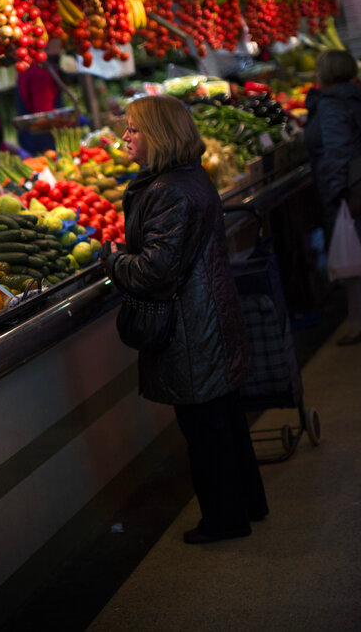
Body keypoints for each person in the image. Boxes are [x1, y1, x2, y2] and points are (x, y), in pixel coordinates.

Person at [101, 95, 267, 544]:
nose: (125, 137)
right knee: (225, 419)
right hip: (208, 314)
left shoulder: (169, 190)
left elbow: (155, 270)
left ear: (158, 135)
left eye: (133, 129)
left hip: (192, 329)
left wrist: (113, 259)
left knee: (206, 430)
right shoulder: (188, 178)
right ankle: (249, 502)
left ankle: (225, 520)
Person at [304, 50, 361, 345]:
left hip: (352, 187)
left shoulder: (332, 104)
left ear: (324, 73)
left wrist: (338, 192)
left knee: (355, 256)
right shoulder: (359, 96)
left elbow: (337, 151)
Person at [16, 39, 64, 155]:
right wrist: (77, 121)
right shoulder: (41, 69)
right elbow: (44, 113)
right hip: (43, 140)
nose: (61, 42)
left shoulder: (31, 66)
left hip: (32, 138)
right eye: (55, 38)